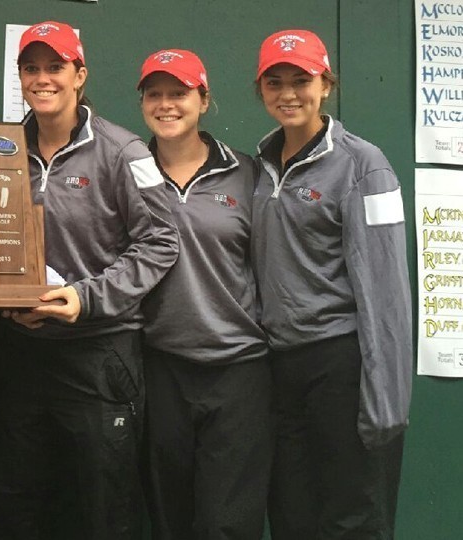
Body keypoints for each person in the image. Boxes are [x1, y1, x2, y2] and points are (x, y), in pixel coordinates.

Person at [0, 21, 179, 540]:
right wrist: (2, 300)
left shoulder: (125, 151)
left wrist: (85, 299)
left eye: (56, 67)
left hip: (98, 355)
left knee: (101, 508)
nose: (42, 78)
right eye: (31, 68)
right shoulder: (0, 149)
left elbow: (161, 242)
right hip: (22, 352)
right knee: (16, 504)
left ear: (80, 75)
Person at [251, 29, 411, 539]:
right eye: (275, 82)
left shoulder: (365, 165)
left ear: (326, 85)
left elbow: (387, 291)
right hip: (279, 368)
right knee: (292, 517)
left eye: (301, 80)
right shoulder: (259, 166)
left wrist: (385, 401)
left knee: (352, 517)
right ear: (260, 89)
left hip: (341, 365)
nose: (288, 93)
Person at [136, 49, 271, 540]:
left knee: (226, 524)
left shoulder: (247, 173)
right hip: (160, 366)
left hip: (238, 369)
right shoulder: (128, 170)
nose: (166, 104)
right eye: (155, 94)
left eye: (179, 93)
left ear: (204, 99)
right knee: (168, 518)